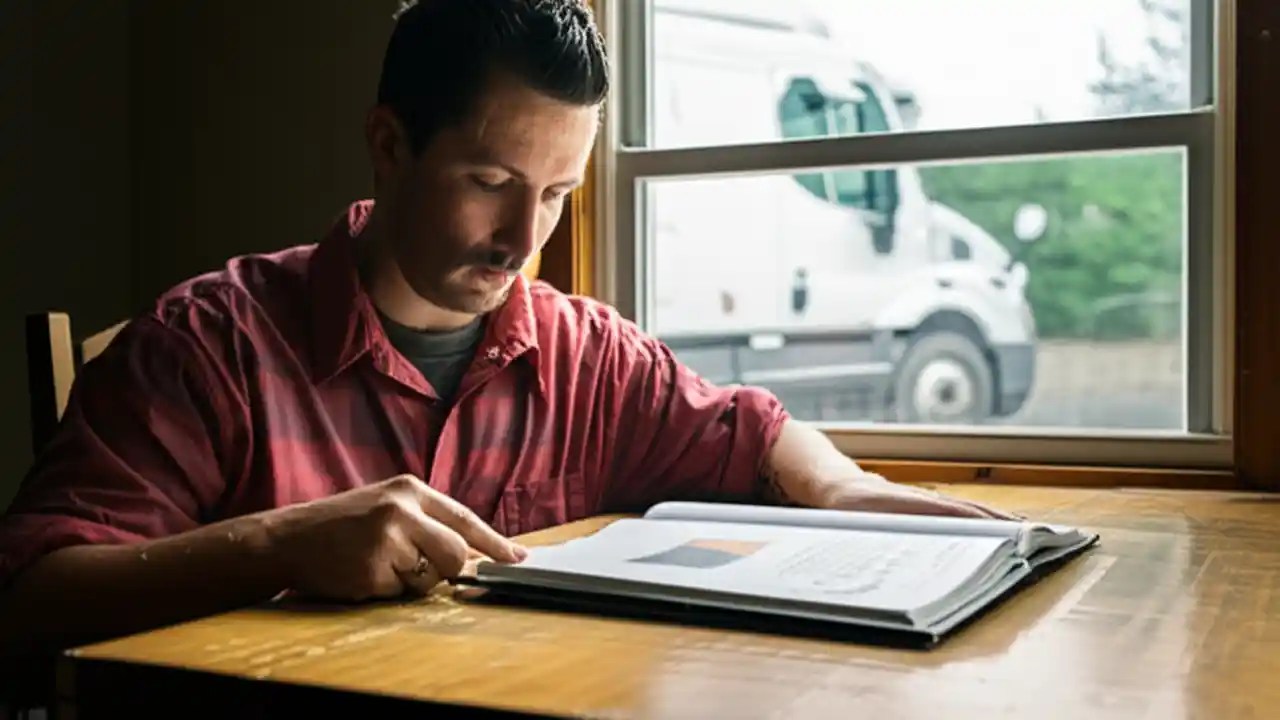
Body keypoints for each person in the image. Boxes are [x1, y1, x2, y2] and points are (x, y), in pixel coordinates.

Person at [0, 0, 1012, 658]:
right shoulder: (206, 345)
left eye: (557, 194)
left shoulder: (585, 357)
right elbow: (30, 596)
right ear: (389, 145)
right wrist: (276, 545)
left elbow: (753, 430)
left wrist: (840, 490)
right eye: (490, 181)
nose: (523, 239)